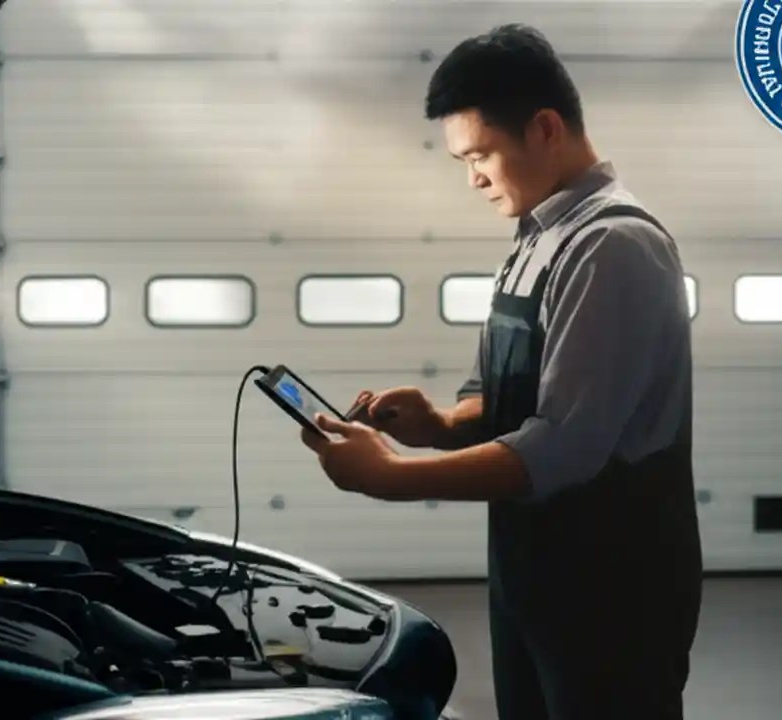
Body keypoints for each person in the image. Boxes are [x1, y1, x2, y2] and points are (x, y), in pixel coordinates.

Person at [300, 24, 702, 719]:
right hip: (536, 574)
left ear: (545, 128)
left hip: (614, 591)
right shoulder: (535, 240)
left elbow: (563, 446)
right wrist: (438, 425)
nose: (473, 177)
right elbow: (499, 398)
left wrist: (391, 477)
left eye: (481, 154)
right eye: (462, 159)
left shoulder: (613, 247)